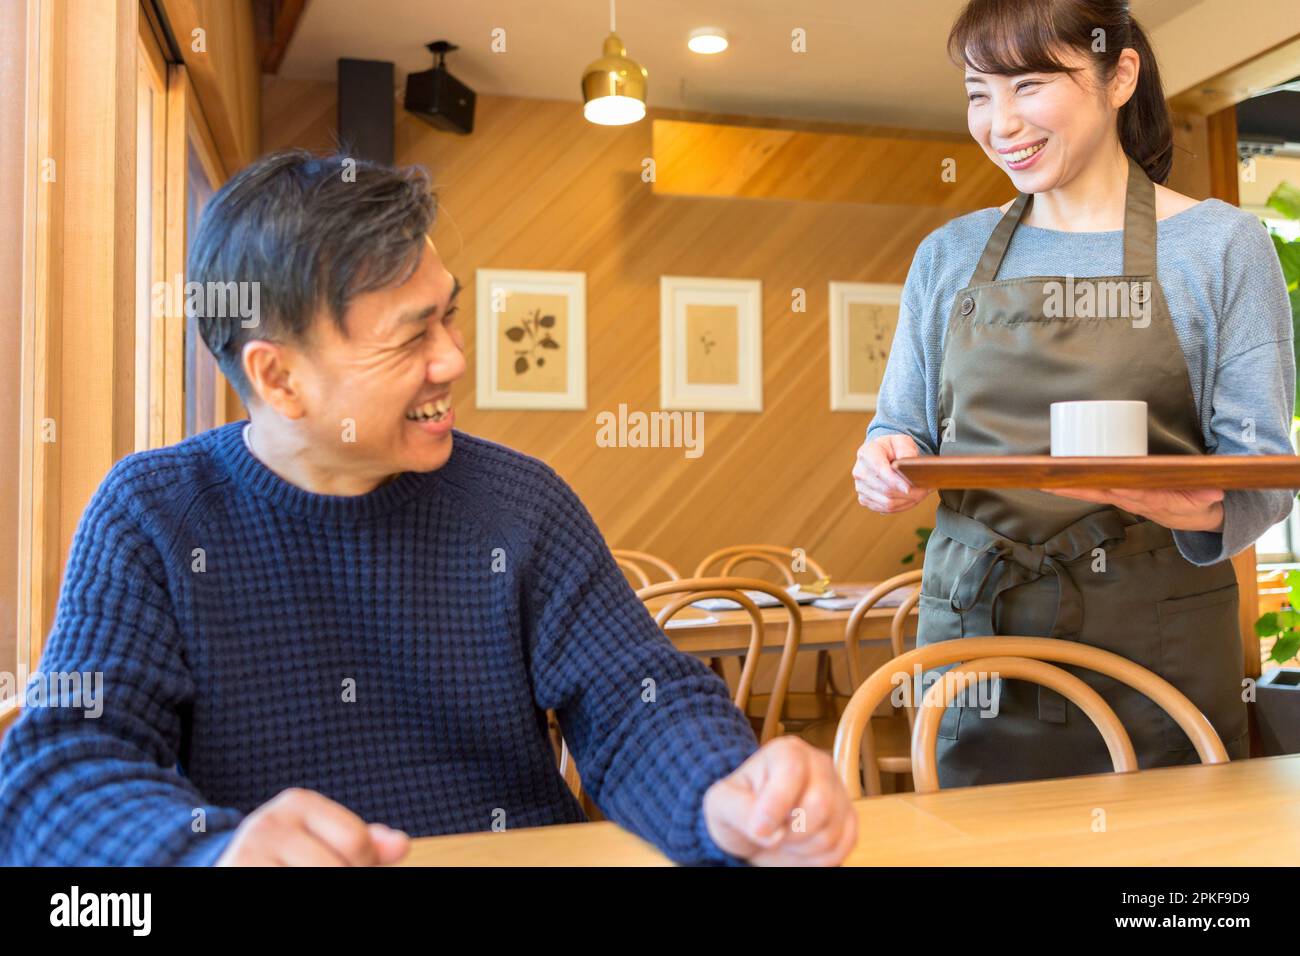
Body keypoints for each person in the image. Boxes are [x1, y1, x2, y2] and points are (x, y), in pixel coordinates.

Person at [0, 149, 855, 866]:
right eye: (412, 337)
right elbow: (64, 766)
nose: (451, 359)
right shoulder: (154, 514)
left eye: (449, 318)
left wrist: (724, 794)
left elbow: (638, 699)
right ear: (278, 377)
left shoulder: (516, 503)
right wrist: (212, 853)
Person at [853, 0, 1295, 787]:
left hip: (1155, 633)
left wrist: (1203, 510)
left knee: (1165, 890)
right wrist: (884, 460)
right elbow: (901, 427)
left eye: (1028, 85)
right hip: (975, 634)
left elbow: (1262, 465)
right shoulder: (948, 254)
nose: (999, 122)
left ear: (1119, 75)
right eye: (978, 93)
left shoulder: (1221, 245)